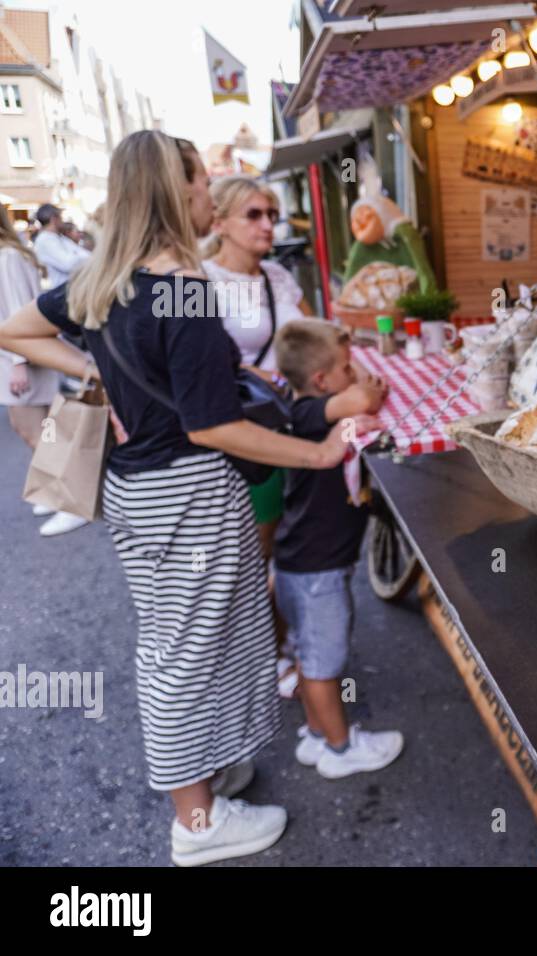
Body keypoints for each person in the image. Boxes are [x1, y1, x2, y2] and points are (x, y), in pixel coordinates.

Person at [0, 130, 367, 866]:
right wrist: (320, 452)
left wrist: (99, 366)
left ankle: (206, 777)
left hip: (138, 490)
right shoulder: (183, 287)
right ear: (177, 190)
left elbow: (16, 329)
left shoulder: (109, 276)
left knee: (189, 644)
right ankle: (195, 822)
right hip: (186, 494)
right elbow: (213, 427)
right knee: (183, 654)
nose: (209, 193)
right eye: (201, 183)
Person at [271, 318, 404, 779]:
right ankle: (341, 749)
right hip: (317, 570)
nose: (355, 374)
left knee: (311, 655)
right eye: (348, 368)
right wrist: (358, 401)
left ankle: (315, 733)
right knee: (324, 663)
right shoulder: (312, 417)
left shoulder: (302, 408)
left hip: (296, 563)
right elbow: (362, 402)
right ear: (323, 381)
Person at [202, 175, 311, 696]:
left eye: (271, 213)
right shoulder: (198, 283)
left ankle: (295, 643)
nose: (268, 224)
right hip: (247, 438)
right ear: (218, 221)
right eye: (253, 215)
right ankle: (274, 652)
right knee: (259, 553)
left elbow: (312, 341)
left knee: (299, 544)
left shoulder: (277, 276)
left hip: (296, 423)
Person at [1, 203, 76, 534]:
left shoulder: (7, 257)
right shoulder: (10, 254)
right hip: (16, 356)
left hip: (19, 358)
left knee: (38, 431)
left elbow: (19, 310)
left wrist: (19, 363)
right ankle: (55, 492)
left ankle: (71, 501)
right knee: (40, 429)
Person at [32, 203, 90, 288]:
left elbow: (83, 254)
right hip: (62, 293)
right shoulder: (45, 240)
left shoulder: (58, 237)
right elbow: (69, 264)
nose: (62, 220)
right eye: (60, 217)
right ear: (54, 219)